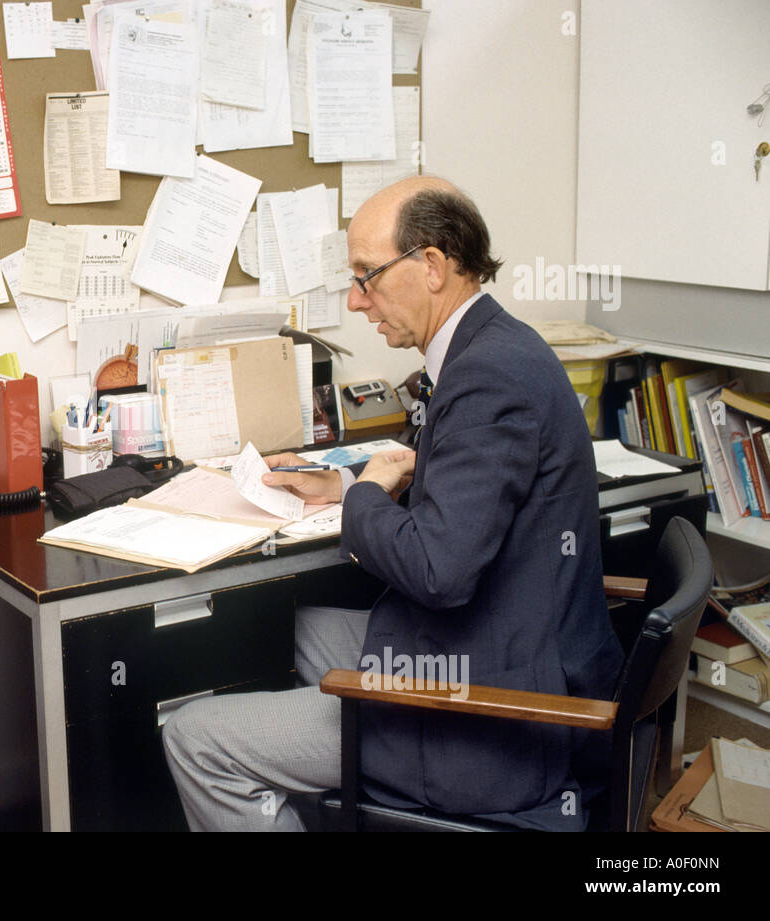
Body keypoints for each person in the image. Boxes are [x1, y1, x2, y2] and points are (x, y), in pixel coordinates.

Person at [162, 177, 624, 831]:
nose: (355, 300)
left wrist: (367, 497)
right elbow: (468, 502)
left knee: (194, 736)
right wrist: (348, 486)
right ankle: (319, 773)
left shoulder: (486, 376)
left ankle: (326, 758)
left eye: (366, 276)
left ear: (431, 266)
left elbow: (440, 568)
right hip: (511, 643)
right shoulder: (496, 345)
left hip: (487, 719)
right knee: (292, 623)